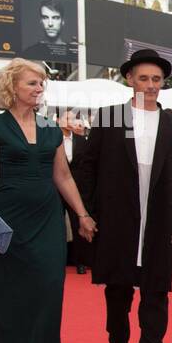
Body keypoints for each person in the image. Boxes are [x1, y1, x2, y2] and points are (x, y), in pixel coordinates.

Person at [0, 59, 94, 343]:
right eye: (32, 83)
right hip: (4, 220)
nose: (39, 88)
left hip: (46, 220)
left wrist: (82, 214)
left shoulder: (50, 128)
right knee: (9, 293)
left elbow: (63, 175)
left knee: (48, 290)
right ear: (13, 87)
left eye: (41, 83)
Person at [73, 48, 172, 343]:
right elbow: (88, 166)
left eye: (156, 79)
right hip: (117, 219)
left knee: (156, 293)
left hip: (158, 221)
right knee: (118, 292)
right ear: (129, 79)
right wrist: (87, 213)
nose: (151, 85)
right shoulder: (110, 116)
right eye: (144, 78)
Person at [59, 109, 92, 275]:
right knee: (56, 226)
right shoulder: (51, 140)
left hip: (77, 190)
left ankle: (81, 261)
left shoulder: (82, 141)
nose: (71, 121)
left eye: (74, 119)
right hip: (55, 190)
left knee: (78, 223)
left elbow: (87, 167)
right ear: (58, 120)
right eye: (67, 118)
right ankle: (57, 260)